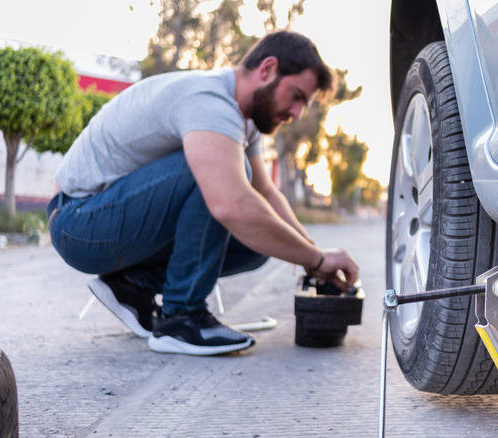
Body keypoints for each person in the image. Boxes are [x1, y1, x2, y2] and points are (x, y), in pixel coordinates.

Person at [46, 30, 359, 356]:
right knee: (226, 183)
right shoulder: (210, 101)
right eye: (296, 96)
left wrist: (310, 254)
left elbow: (265, 192)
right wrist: (318, 259)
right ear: (267, 69)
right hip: (77, 221)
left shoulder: (243, 118)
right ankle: (182, 318)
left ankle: (135, 284)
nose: (296, 113)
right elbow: (230, 203)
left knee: (261, 241)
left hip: (104, 221)